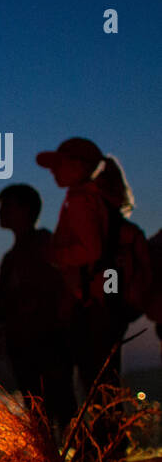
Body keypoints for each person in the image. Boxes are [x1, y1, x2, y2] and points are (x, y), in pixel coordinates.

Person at [40, 137, 135, 443]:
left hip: (93, 301)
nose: (54, 172)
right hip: (105, 298)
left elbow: (91, 251)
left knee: (95, 377)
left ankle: (106, 444)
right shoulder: (100, 197)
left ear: (79, 166)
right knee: (105, 376)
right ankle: (111, 439)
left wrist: (56, 256)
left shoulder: (81, 199)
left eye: (59, 165)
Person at [0, 184, 75, 425]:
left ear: (25, 210)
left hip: (46, 341)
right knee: (40, 406)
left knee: (55, 404)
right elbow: (3, 304)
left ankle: (73, 454)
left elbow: (53, 290)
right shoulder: (14, 255)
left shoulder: (43, 246)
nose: (0, 212)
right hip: (29, 343)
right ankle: (57, 456)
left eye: (6, 207)